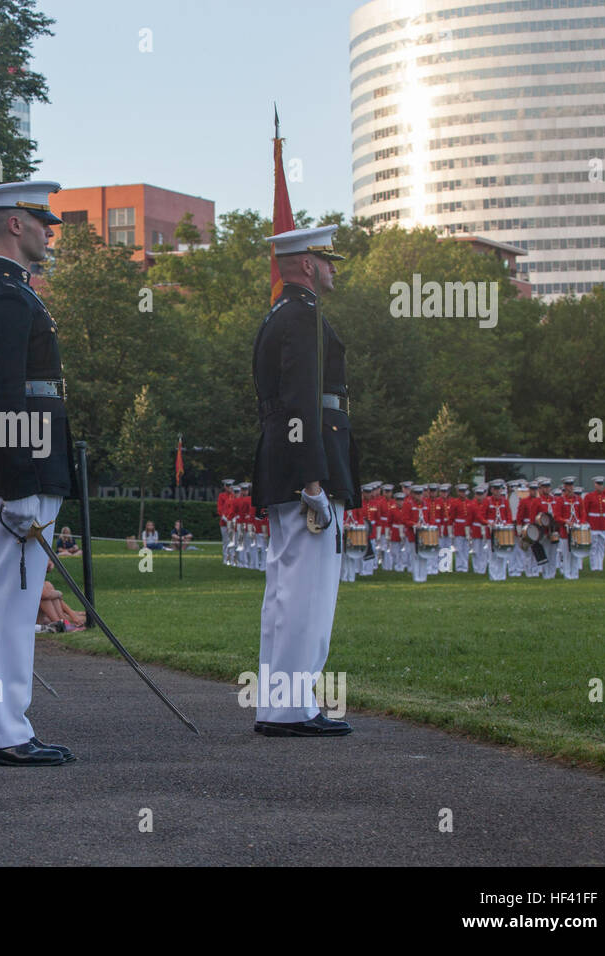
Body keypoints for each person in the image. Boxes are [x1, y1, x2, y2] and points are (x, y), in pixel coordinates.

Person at [0, 181, 77, 766]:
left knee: (14, 603)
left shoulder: (12, 292)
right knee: (6, 602)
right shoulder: (5, 296)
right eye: (41, 220)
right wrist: (19, 482)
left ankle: (6, 726)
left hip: (25, 460)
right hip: (19, 465)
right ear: (14, 225)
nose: (49, 231)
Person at [250, 225, 358, 737]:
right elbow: (300, 401)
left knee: (286, 589)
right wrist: (313, 479)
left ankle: (280, 703)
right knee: (306, 592)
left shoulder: (280, 315)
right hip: (305, 470)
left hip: (285, 464)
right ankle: (292, 706)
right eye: (328, 259)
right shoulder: (304, 316)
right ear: (307, 265)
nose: (335, 267)